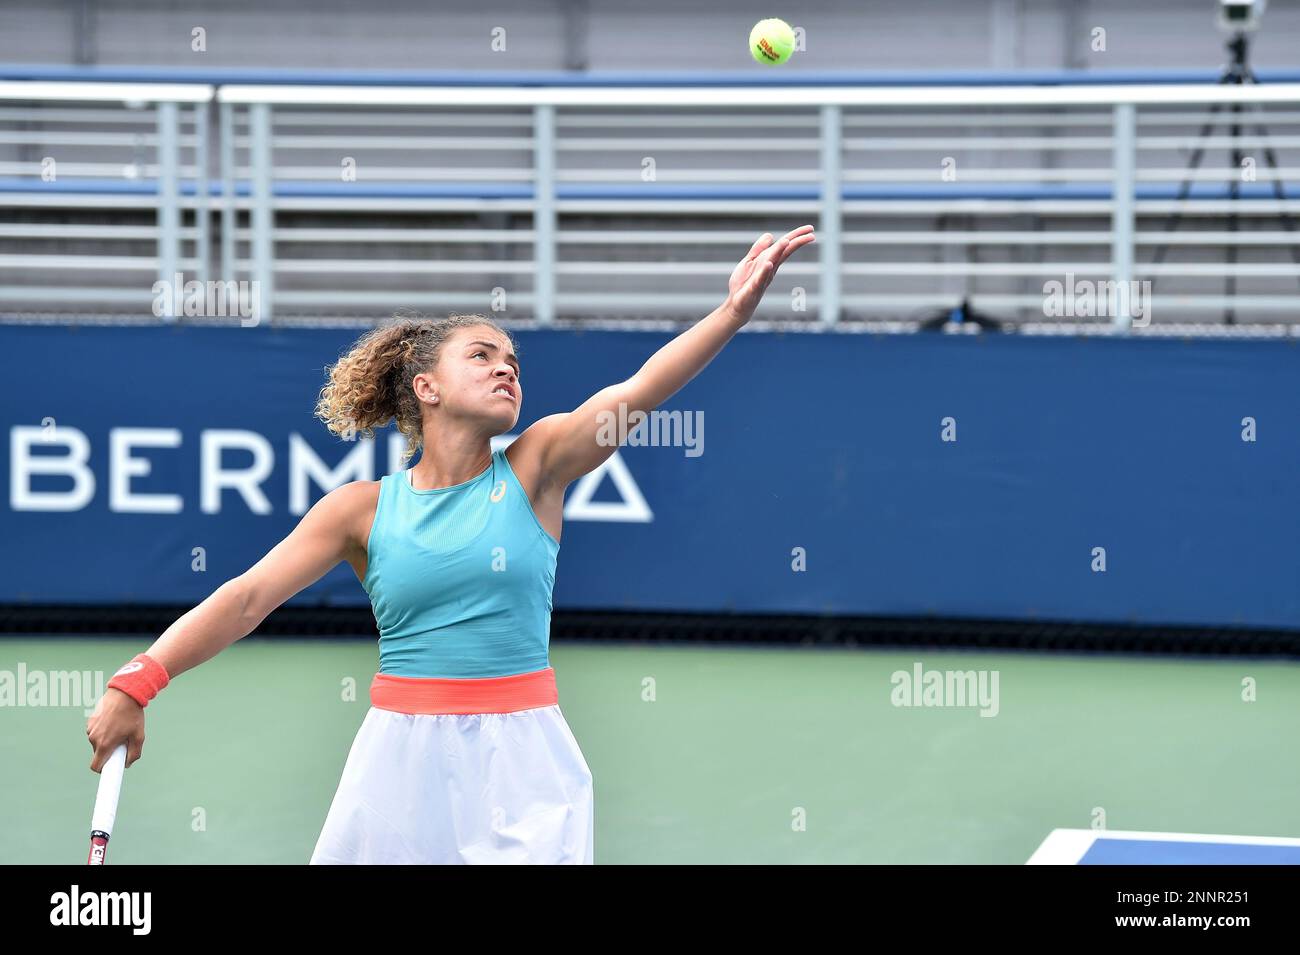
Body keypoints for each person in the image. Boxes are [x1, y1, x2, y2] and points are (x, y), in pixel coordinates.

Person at [85, 225, 816, 863]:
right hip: (396, 764)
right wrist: (139, 680)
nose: (507, 367)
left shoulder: (539, 466)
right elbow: (245, 599)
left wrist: (730, 313)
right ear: (427, 387)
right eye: (483, 355)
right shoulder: (360, 511)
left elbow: (640, 390)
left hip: (526, 764)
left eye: (514, 363)